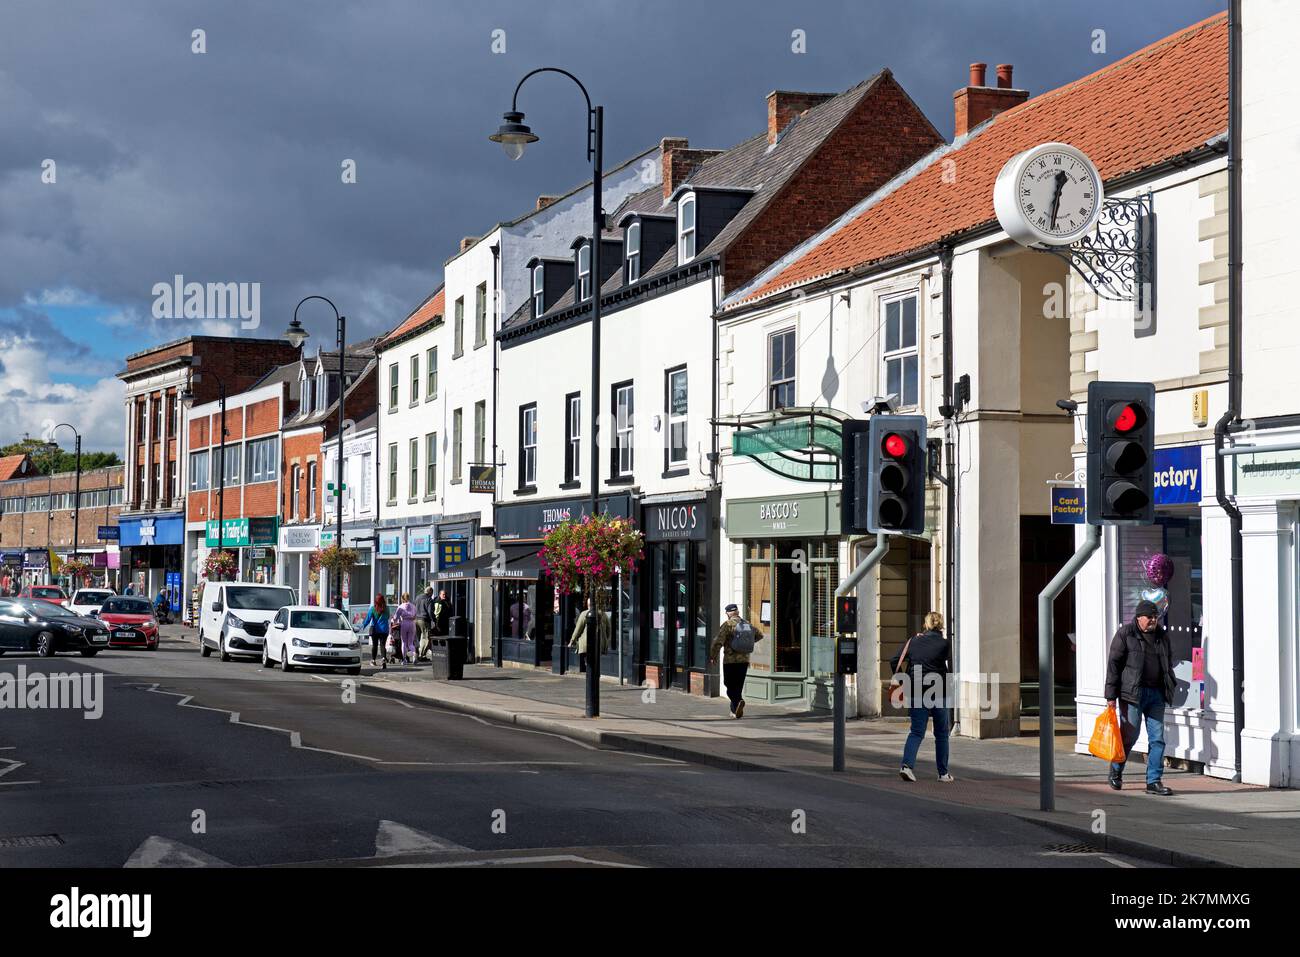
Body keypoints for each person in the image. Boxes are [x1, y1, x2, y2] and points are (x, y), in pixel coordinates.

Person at [1105, 599, 1177, 795]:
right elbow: (1113, 666)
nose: (1154, 620)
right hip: (1132, 695)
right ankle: (1116, 770)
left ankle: (1154, 781)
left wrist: (1169, 684)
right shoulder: (1125, 634)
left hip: (1156, 694)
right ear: (1138, 618)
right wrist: (1110, 696)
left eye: (1156, 617)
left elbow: (1168, 662)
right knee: (1130, 735)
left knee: (1158, 739)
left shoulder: (1162, 636)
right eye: (1150, 617)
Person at [891, 612, 953, 783]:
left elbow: (894, 660)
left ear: (925, 624)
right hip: (939, 690)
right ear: (941, 625)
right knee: (941, 733)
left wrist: (904, 680)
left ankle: (907, 766)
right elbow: (950, 667)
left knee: (917, 731)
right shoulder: (945, 644)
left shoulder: (913, 641)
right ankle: (943, 773)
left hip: (917, 689)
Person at [709, 603, 763, 719]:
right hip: (744, 660)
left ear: (728, 613)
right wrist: (747, 644)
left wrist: (713, 656)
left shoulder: (727, 625)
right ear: (737, 612)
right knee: (738, 686)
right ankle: (735, 711)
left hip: (730, 661)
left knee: (729, 685)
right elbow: (759, 635)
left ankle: (739, 701)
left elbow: (717, 642)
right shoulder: (747, 624)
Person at [569, 598, 611, 673]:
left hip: (586, 645)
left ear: (588, 605)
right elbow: (608, 629)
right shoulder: (603, 614)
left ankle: (592, 675)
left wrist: (572, 641)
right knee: (596, 661)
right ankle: (596, 675)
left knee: (589, 663)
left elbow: (578, 629)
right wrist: (606, 640)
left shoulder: (584, 614)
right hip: (600, 643)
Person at [361, 594, 392, 668]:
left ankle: (373, 660)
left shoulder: (373, 608)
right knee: (382, 645)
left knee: (374, 645)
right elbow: (387, 617)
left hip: (375, 629)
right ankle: (384, 658)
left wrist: (363, 626)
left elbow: (368, 619)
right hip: (384, 630)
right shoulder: (387, 608)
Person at [394, 592, 418, 664]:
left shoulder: (401, 607)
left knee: (404, 642)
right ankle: (414, 654)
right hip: (412, 624)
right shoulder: (413, 606)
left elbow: (396, 617)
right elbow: (415, 616)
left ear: (402, 598)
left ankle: (404, 660)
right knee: (411, 643)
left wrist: (395, 621)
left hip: (404, 623)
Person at [414, 585, 434, 661]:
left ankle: (416, 654)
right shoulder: (429, 599)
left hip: (415, 619)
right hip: (424, 620)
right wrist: (433, 620)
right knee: (425, 638)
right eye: (432, 593)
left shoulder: (417, 597)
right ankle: (421, 655)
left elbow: (414, 606)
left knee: (418, 637)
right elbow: (430, 612)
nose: (432, 595)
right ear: (430, 592)